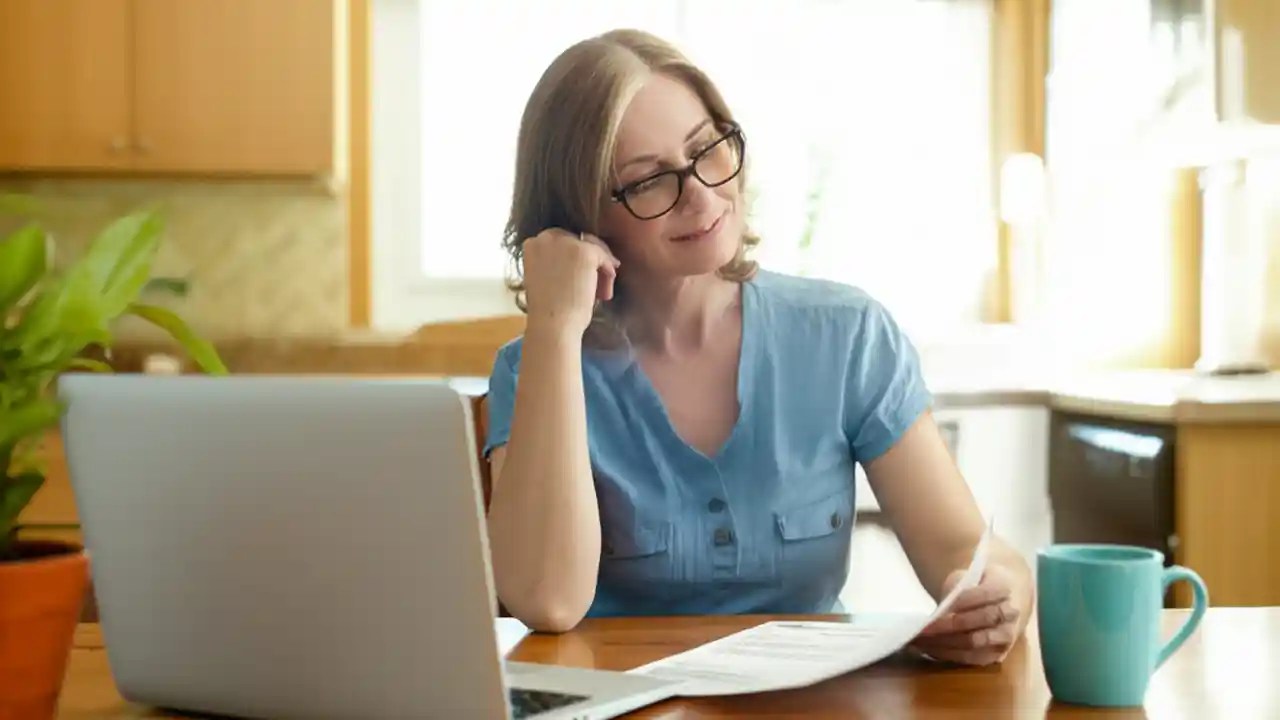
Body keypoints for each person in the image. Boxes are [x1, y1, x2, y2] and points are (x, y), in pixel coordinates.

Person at [482, 28, 1034, 666]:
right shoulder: (535, 370)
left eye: (706, 149)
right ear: (578, 217)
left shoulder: (847, 336)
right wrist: (554, 328)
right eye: (650, 181)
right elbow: (546, 601)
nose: (703, 195)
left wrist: (999, 590)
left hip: (814, 704)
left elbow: (963, 549)